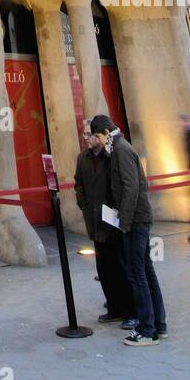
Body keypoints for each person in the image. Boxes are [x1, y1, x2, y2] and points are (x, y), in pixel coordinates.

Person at [91, 115, 167, 347]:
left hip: (135, 220)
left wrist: (124, 220)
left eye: (96, 136)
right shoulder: (120, 147)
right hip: (137, 218)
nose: (96, 140)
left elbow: (131, 186)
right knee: (146, 270)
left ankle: (147, 329)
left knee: (137, 274)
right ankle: (158, 324)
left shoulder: (121, 149)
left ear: (105, 132)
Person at [74, 121, 135, 328]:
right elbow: (78, 184)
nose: (86, 139)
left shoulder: (114, 155)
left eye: (88, 135)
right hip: (95, 221)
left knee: (122, 266)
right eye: (84, 135)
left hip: (113, 220)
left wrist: (121, 212)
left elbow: (125, 185)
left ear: (99, 135)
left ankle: (131, 310)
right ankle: (114, 307)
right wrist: (83, 204)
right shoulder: (82, 159)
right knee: (104, 269)